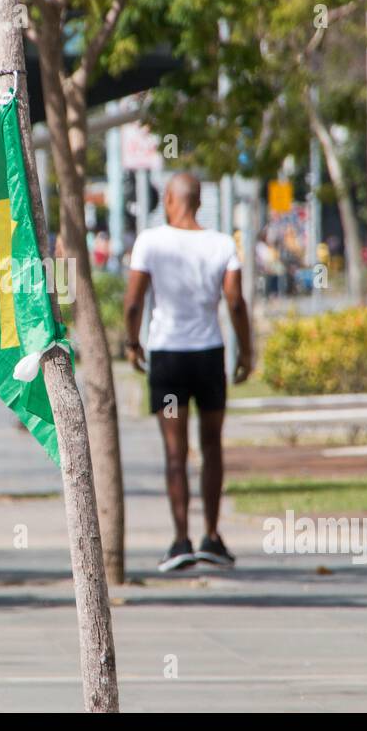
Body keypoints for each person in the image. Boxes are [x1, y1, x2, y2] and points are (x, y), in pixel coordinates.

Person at [124, 172, 254, 573]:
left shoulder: (150, 241)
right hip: (208, 358)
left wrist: (131, 343)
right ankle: (212, 537)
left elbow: (133, 303)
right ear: (198, 202)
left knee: (175, 452)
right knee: (212, 446)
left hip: (168, 360)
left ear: (168, 199)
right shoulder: (220, 244)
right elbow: (235, 302)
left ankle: (180, 540)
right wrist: (246, 350)